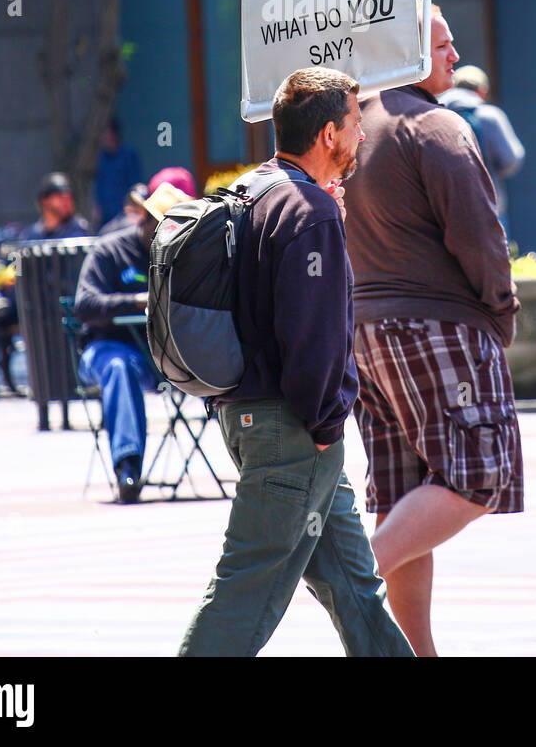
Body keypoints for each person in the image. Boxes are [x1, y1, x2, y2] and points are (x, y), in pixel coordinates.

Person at [178, 68, 413, 658]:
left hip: (252, 417)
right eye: (356, 123)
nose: (363, 135)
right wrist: (326, 425)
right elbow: (313, 338)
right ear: (329, 134)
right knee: (247, 587)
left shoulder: (252, 191)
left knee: (356, 590)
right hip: (295, 431)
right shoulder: (310, 211)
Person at [342, 2, 523, 657]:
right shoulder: (436, 126)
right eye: (443, 45)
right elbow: (481, 236)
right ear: (408, 53)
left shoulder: (349, 130)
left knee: (402, 495)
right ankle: (350, 574)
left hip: (366, 334)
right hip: (436, 326)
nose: (455, 55)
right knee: (480, 475)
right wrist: (501, 311)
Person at [74, 181, 187, 503]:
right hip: (109, 349)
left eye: (177, 229)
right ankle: (128, 466)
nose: (169, 235)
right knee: (118, 367)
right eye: (163, 226)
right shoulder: (110, 250)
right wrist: (137, 301)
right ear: (146, 220)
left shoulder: (182, 256)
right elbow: (85, 306)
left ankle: (252, 462)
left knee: (227, 358)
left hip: (166, 356)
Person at [0, 173, 90, 391]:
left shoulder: (77, 230)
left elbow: (70, 272)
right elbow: (17, 267)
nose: (67, 202)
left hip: (55, 303)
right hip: (26, 302)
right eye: (61, 197)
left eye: (69, 197)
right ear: (45, 200)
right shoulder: (31, 233)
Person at [440, 65, 525, 238]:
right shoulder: (489, 116)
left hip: (445, 210)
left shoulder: (437, 113)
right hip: (488, 207)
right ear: (482, 91)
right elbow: (511, 160)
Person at [94, 119, 143, 228]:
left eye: (108, 134)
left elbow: (135, 185)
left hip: (125, 215)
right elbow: (99, 185)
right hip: (106, 216)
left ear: (115, 134)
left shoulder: (128, 155)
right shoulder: (101, 157)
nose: (105, 138)